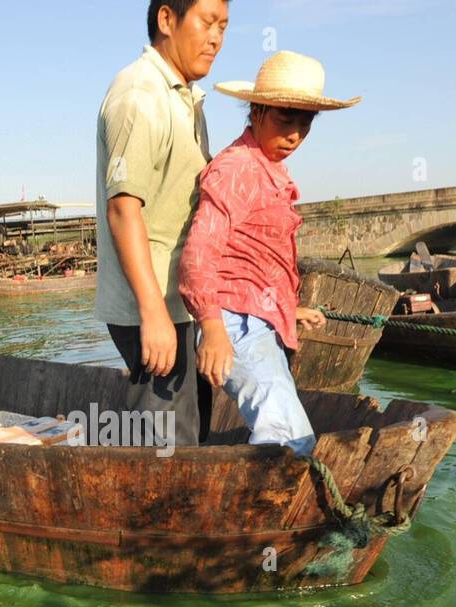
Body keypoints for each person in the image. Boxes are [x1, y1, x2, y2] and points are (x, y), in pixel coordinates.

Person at [178, 51, 360, 455]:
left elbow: (249, 257)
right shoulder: (237, 169)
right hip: (235, 325)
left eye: (305, 121)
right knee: (289, 441)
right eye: (284, 118)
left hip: (252, 319)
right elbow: (198, 257)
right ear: (256, 111)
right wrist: (212, 329)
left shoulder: (268, 166)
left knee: (288, 436)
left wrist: (285, 307)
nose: (295, 133)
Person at [95, 0, 230, 447]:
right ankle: (153, 518)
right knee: (165, 445)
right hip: (149, 306)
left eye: (223, 27)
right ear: (167, 20)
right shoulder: (139, 95)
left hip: (178, 301)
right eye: (207, 22)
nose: (216, 38)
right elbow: (123, 208)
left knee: (189, 428)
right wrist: (153, 313)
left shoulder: (185, 98)